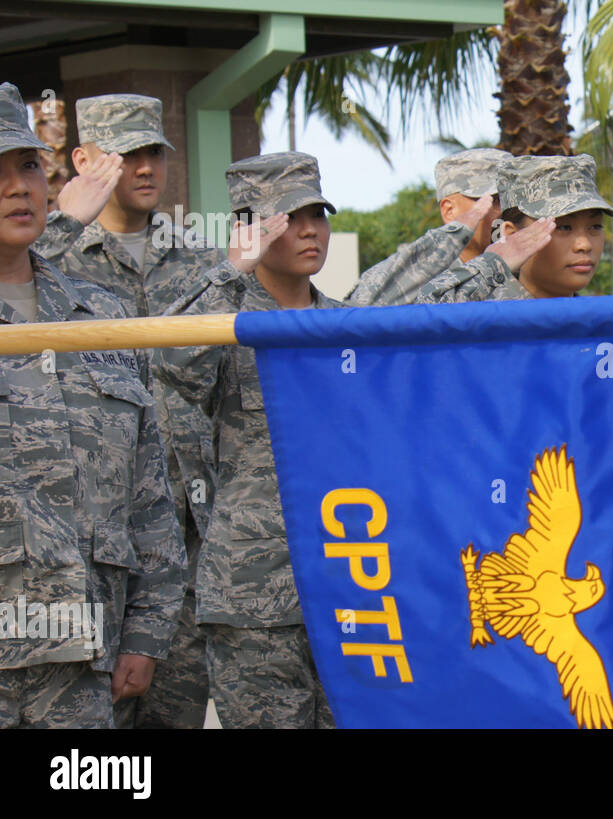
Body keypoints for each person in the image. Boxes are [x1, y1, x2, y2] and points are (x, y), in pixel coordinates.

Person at [0, 81, 184, 728]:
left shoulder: (98, 314)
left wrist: (147, 630)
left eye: (25, 165)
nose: (18, 186)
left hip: (82, 659)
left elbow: (149, 492)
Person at [34, 92, 220, 729]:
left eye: (153, 153)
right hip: (80, 553)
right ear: (84, 160)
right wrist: (65, 223)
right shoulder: (54, 267)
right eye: (125, 154)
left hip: (184, 548)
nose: (144, 168)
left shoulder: (201, 262)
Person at [156, 151, 341, 728]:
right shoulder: (222, 320)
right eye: (290, 216)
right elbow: (172, 363)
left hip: (350, 580)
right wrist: (230, 271)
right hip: (255, 594)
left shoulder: (345, 325)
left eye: (318, 213)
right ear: (250, 228)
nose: (310, 229)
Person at [413, 153, 610, 303]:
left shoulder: (602, 322)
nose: (584, 245)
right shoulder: (483, 316)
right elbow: (424, 313)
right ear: (511, 235)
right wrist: (495, 262)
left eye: (595, 226)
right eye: (564, 227)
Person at [346, 148, 508, 306]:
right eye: (494, 200)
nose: (506, 211)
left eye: (511, 200)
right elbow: (364, 303)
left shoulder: (525, 273)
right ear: (449, 211)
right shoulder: (415, 284)